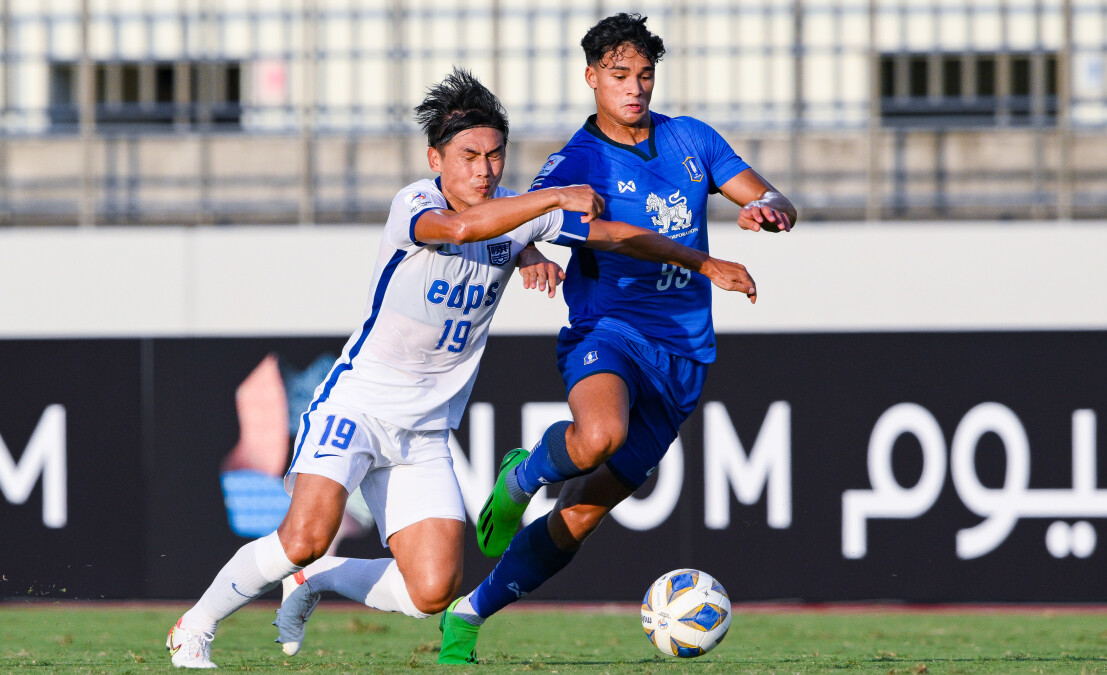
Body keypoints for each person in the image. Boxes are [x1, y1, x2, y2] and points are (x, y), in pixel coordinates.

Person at [166, 67, 756, 669]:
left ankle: (316, 580)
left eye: (495, 156)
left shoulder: (516, 216)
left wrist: (703, 263)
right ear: (436, 158)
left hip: (424, 432)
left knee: (431, 593)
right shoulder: (416, 203)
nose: (483, 170)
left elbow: (614, 235)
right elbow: (456, 229)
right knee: (302, 537)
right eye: (468, 155)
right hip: (359, 405)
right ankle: (195, 626)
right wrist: (549, 202)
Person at [438, 13, 796, 664]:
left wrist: (767, 207)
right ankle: (523, 477)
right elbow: (590, 232)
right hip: (609, 331)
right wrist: (700, 261)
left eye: (644, 75)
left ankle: (470, 611)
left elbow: (772, 194)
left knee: (580, 514)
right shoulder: (578, 163)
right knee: (598, 433)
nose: (635, 88)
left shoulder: (692, 139)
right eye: (619, 75)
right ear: (592, 78)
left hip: (684, 356)